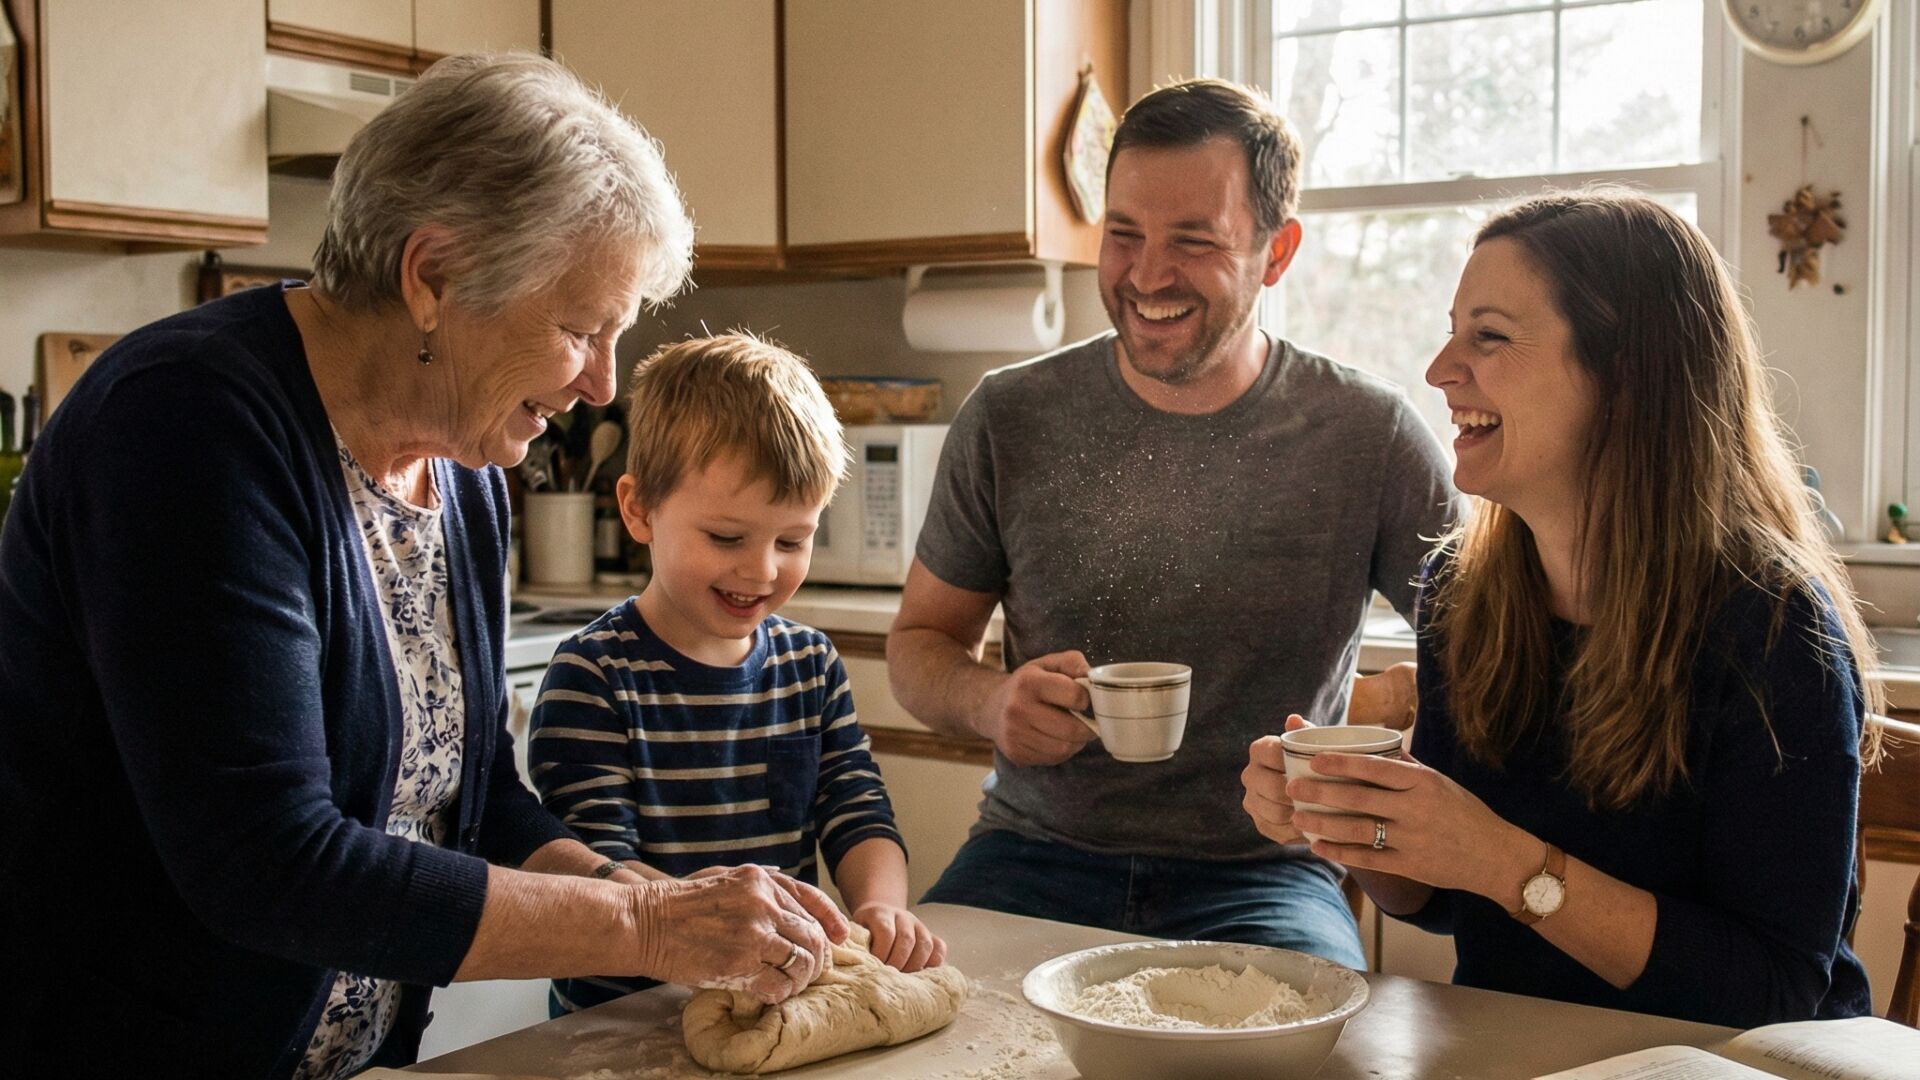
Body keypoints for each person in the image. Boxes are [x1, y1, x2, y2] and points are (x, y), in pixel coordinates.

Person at [0, 54, 846, 1079]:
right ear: (433, 275)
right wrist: (645, 924)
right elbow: (268, 864)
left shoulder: (464, 464)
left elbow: (476, 795)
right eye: (581, 329)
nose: (601, 382)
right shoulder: (187, 421)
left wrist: (653, 900)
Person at [1241, 189, 1883, 1027]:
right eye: (1451, 329)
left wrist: (1503, 859)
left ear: (1625, 377)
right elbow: (1440, 899)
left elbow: (1772, 991)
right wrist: (1357, 824)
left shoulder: (1772, 628)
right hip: (1519, 1047)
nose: (1439, 368)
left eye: (1490, 336)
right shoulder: (1460, 597)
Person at [885, 78, 1457, 968]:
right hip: (1031, 856)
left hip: (1266, 875)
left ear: (1278, 253)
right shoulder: (1009, 415)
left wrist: (1394, 759)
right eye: (1124, 235)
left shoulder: (1368, 435)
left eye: (1194, 242)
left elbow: (1499, 651)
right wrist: (989, 700)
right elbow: (920, 644)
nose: (1148, 276)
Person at [529, 334, 945, 1016]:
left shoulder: (809, 666)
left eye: (792, 540)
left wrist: (880, 905)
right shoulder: (594, 676)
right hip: (623, 1018)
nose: (762, 571)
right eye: (727, 538)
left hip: (775, 999)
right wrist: (694, 937)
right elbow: (598, 867)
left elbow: (856, 809)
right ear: (639, 509)